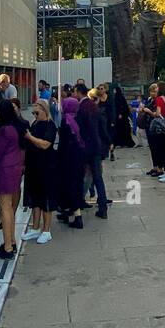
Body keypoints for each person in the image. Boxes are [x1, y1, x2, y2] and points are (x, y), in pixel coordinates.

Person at [0, 100, 26, 258]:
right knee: (9, 208)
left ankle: (8, 246)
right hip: (14, 168)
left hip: (5, 170)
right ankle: (12, 241)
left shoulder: (4, 130)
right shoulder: (15, 127)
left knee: (5, 208)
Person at [23, 100, 58, 245]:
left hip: (46, 165)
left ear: (44, 110)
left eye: (37, 111)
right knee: (35, 197)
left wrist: (30, 137)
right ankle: (35, 227)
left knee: (45, 198)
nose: (35, 114)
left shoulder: (50, 125)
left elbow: (45, 144)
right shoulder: (35, 124)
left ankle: (46, 230)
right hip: (33, 165)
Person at [78, 86, 110, 217]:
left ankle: (79, 201)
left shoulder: (83, 109)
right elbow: (103, 129)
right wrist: (108, 142)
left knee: (84, 176)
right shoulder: (96, 110)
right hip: (97, 147)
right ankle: (102, 206)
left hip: (86, 147)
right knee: (97, 178)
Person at [57, 95, 88, 227]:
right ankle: (68, 211)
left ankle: (77, 216)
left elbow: (63, 142)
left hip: (68, 157)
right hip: (80, 155)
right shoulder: (80, 118)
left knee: (69, 185)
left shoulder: (66, 121)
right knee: (77, 183)